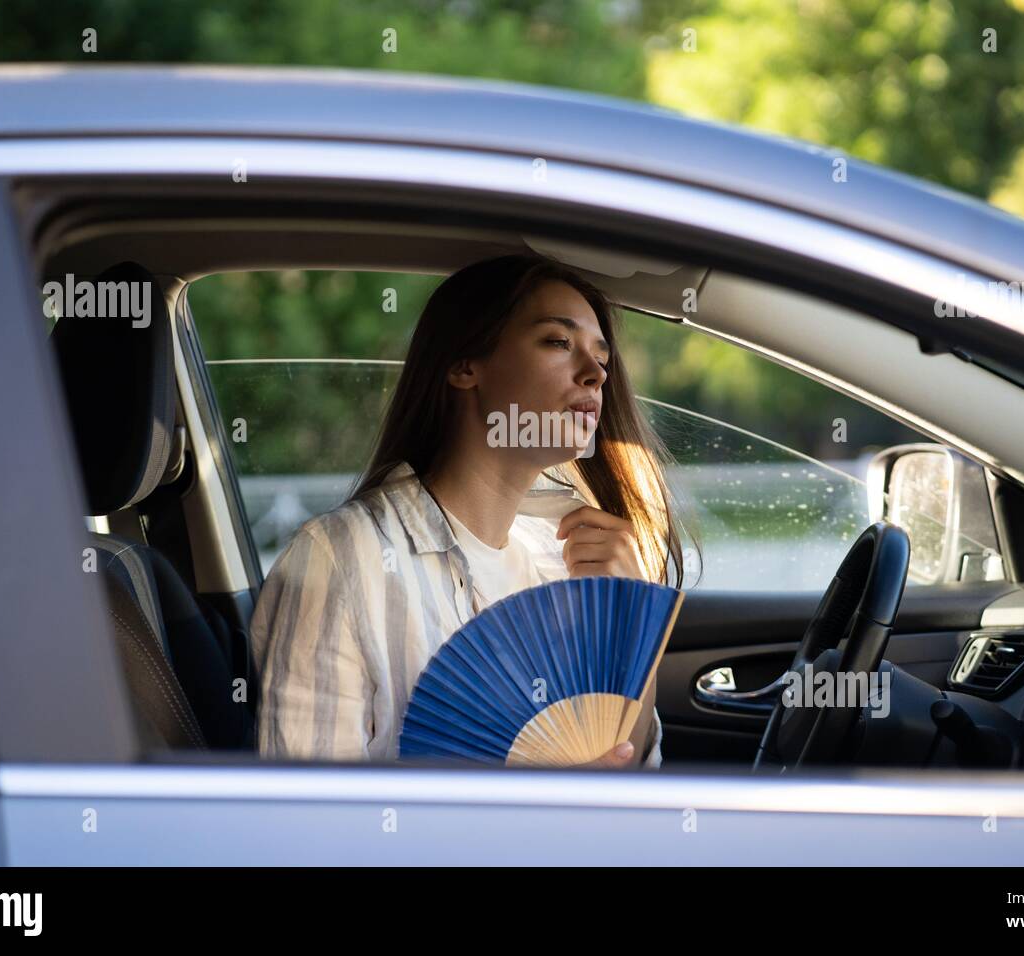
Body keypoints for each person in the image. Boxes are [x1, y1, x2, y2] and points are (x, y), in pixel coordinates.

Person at [251, 253, 697, 767]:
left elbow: (626, 763)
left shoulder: (564, 562)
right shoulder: (342, 559)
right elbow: (307, 825)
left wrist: (629, 620)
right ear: (465, 365)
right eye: (558, 341)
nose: (595, 373)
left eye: (602, 357)